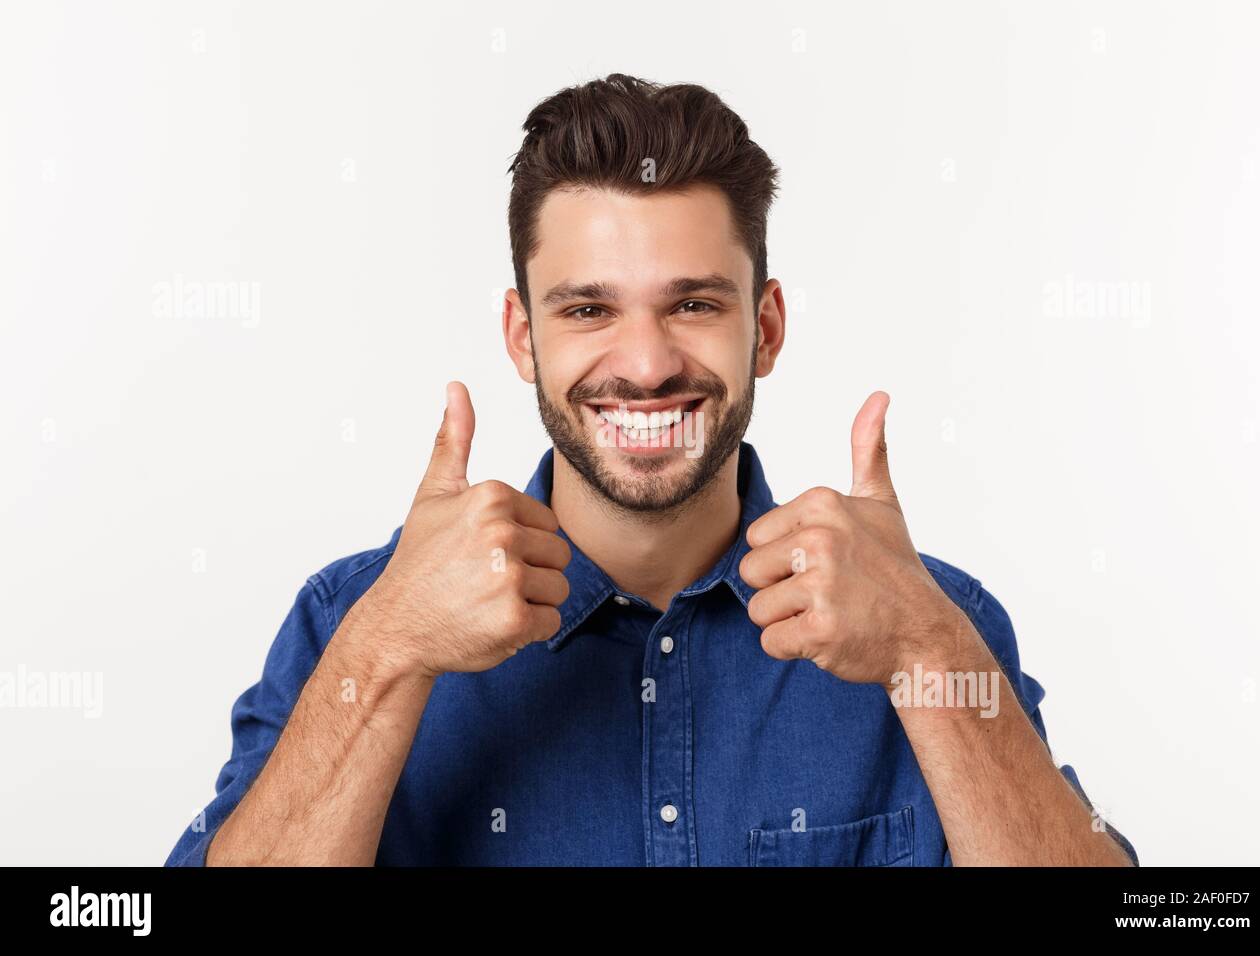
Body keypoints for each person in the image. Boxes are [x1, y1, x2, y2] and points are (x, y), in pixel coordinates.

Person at [166, 74, 1137, 866]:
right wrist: (388, 650)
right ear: (521, 336)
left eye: (692, 305)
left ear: (765, 327)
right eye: (588, 308)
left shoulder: (929, 618)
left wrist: (931, 651)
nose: (644, 360)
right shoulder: (353, 618)